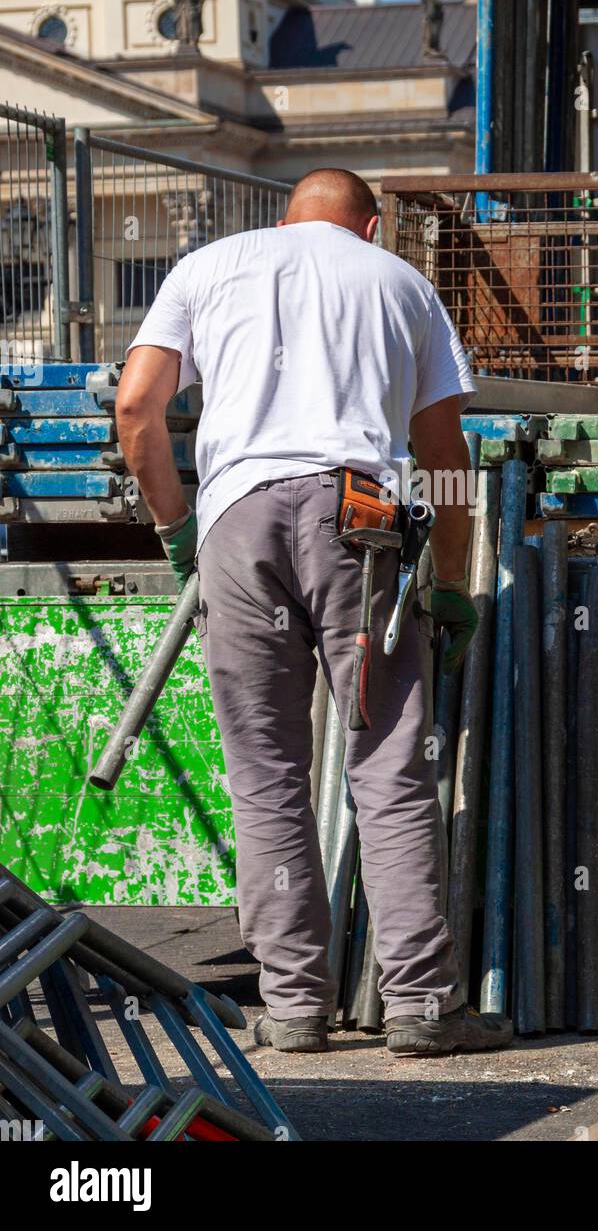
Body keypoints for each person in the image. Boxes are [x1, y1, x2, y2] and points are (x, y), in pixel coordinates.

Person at [116, 168, 514, 1057]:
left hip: (236, 522)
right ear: (370, 227)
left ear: (286, 216)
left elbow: (138, 409)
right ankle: (421, 1007)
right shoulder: (401, 284)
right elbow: (445, 455)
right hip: (358, 523)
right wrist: (450, 580)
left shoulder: (205, 266)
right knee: (388, 768)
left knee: (265, 773)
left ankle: (293, 1007)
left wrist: (178, 529)